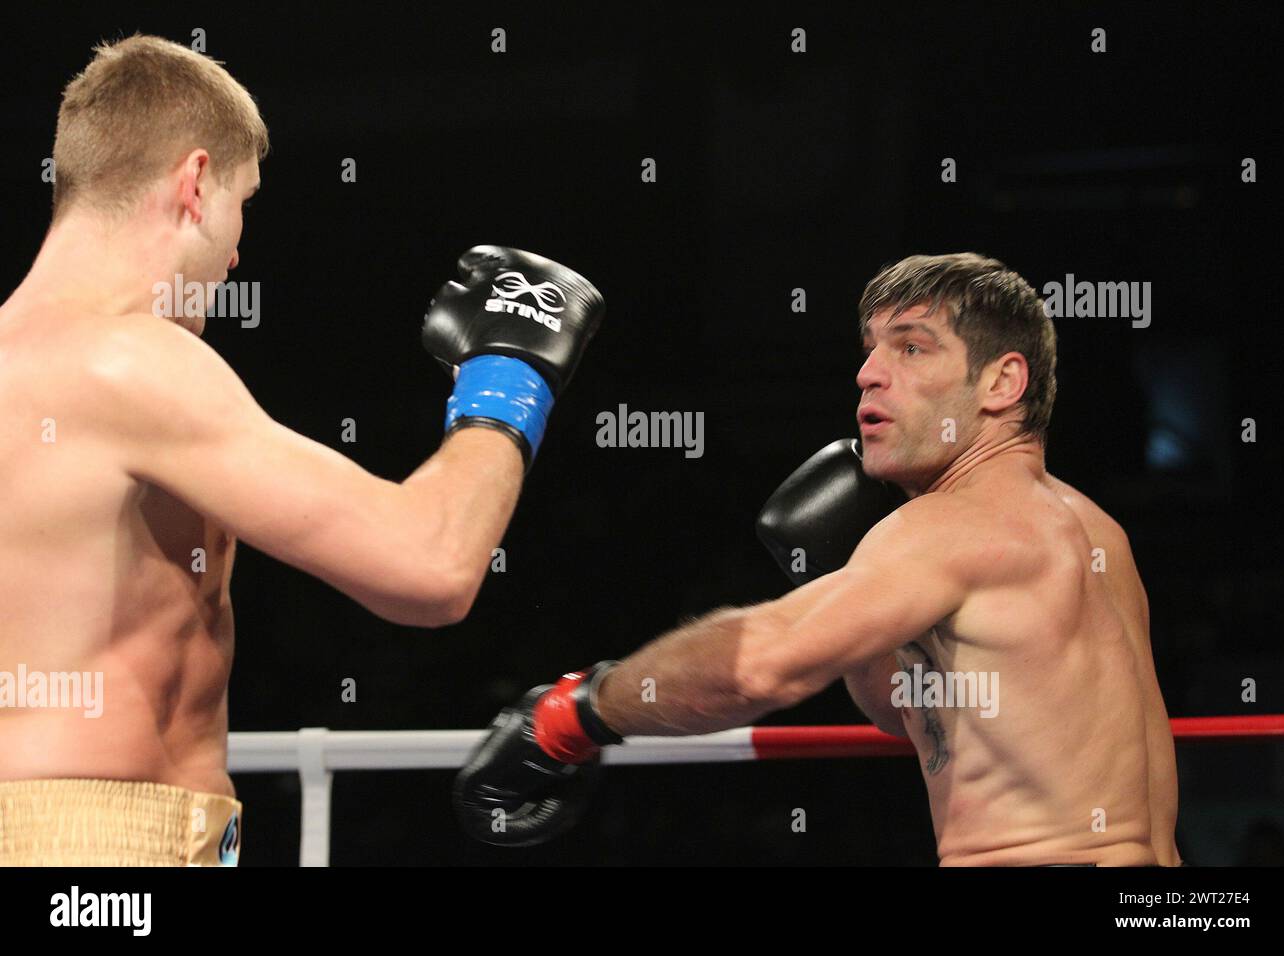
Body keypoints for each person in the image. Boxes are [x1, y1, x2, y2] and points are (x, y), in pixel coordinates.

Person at [0, 34, 603, 865]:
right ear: (196, 182)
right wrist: (510, 378)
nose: (238, 249)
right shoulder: (129, 360)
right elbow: (430, 567)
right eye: (243, 204)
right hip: (102, 853)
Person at [456, 252, 1183, 867]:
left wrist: (572, 713)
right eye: (870, 349)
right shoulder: (1095, 531)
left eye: (911, 347)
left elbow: (763, 664)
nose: (869, 373)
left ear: (1002, 383)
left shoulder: (950, 527)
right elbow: (919, 718)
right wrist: (846, 590)